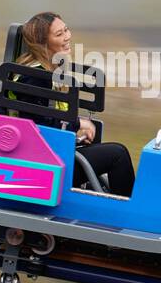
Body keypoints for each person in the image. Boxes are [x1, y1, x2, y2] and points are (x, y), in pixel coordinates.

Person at [10, 12, 136, 195]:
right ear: (43, 43)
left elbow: (50, 117)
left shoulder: (46, 71)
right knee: (118, 155)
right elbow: (40, 126)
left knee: (108, 155)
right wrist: (77, 124)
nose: (67, 36)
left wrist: (75, 127)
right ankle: (128, 216)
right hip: (44, 165)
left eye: (66, 30)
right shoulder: (34, 78)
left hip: (55, 153)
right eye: (59, 34)